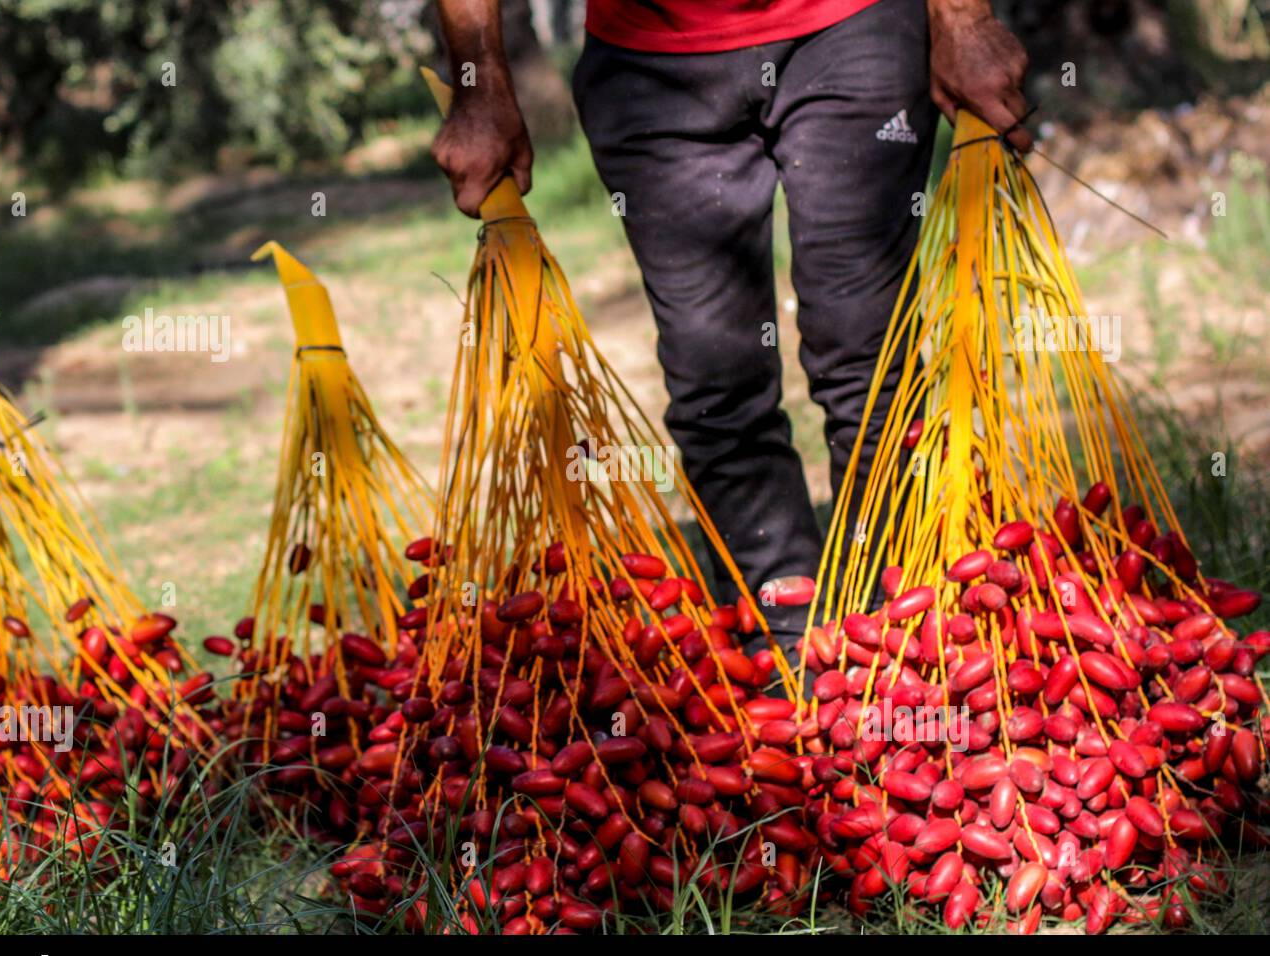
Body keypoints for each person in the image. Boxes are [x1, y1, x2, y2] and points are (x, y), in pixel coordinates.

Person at [431, 0, 1030, 646]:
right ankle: (784, 643)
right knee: (716, 381)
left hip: (851, 26)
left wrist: (963, 19)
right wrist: (479, 82)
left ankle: (897, 630)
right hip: (649, 58)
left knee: (869, 358)